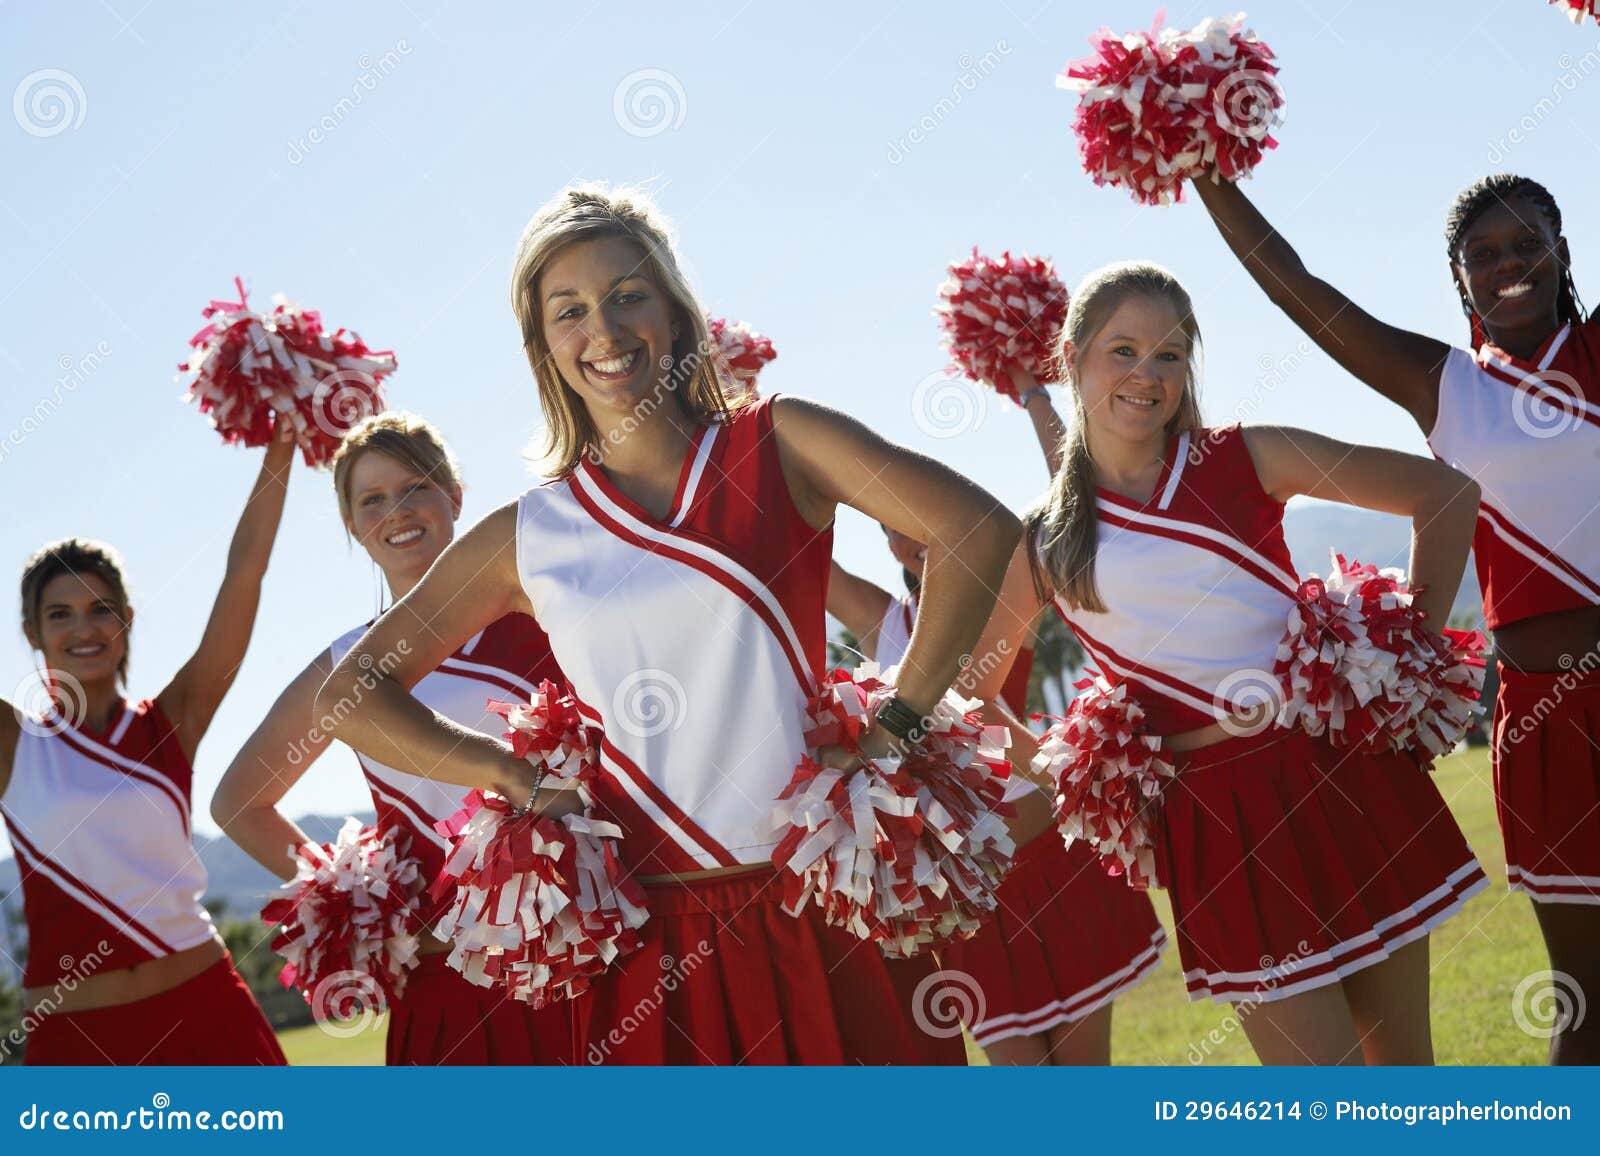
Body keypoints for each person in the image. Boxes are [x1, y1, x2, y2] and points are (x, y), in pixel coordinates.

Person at [315, 184, 1022, 1064]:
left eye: (627, 296)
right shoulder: (528, 534)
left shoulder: (780, 442)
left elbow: (979, 529)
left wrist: (900, 719)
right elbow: (350, 693)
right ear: (543, 346)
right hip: (652, 938)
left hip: (819, 902)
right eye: (568, 310)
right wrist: (507, 772)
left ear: (677, 314)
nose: (604, 332)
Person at [979, 260, 1486, 1065]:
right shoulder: (1044, 541)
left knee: (1406, 1084)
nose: (1148, 374)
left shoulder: (1247, 455)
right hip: (1215, 825)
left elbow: (1446, 494)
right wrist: (1061, 769)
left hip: (1336, 771)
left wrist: (1397, 662)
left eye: (1171, 354)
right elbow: (974, 690)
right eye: (1123, 350)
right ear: (1071, 358)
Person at [1192, 171, 1600, 1064]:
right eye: (1482, 257)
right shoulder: (1444, 384)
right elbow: (1295, 287)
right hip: (1546, 720)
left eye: (1528, 244)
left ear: (1564, 250)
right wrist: (1203, 170)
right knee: (1585, 1003)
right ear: (1461, 282)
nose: (1509, 267)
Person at [212, 411, 572, 1064]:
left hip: (570, 963)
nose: (396, 511)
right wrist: (352, 895)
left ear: (455, 496)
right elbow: (238, 803)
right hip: (442, 986)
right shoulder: (346, 664)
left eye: (415, 487)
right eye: (371, 499)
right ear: (352, 525)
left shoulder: (543, 615)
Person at [0, 431, 296, 1065]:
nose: (84, 627)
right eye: (60, 614)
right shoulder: (12, 745)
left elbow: (245, 571)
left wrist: (282, 446)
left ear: (127, 619)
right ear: (31, 630)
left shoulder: (171, 721)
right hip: (76, 1041)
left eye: (101, 608)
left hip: (209, 1011)